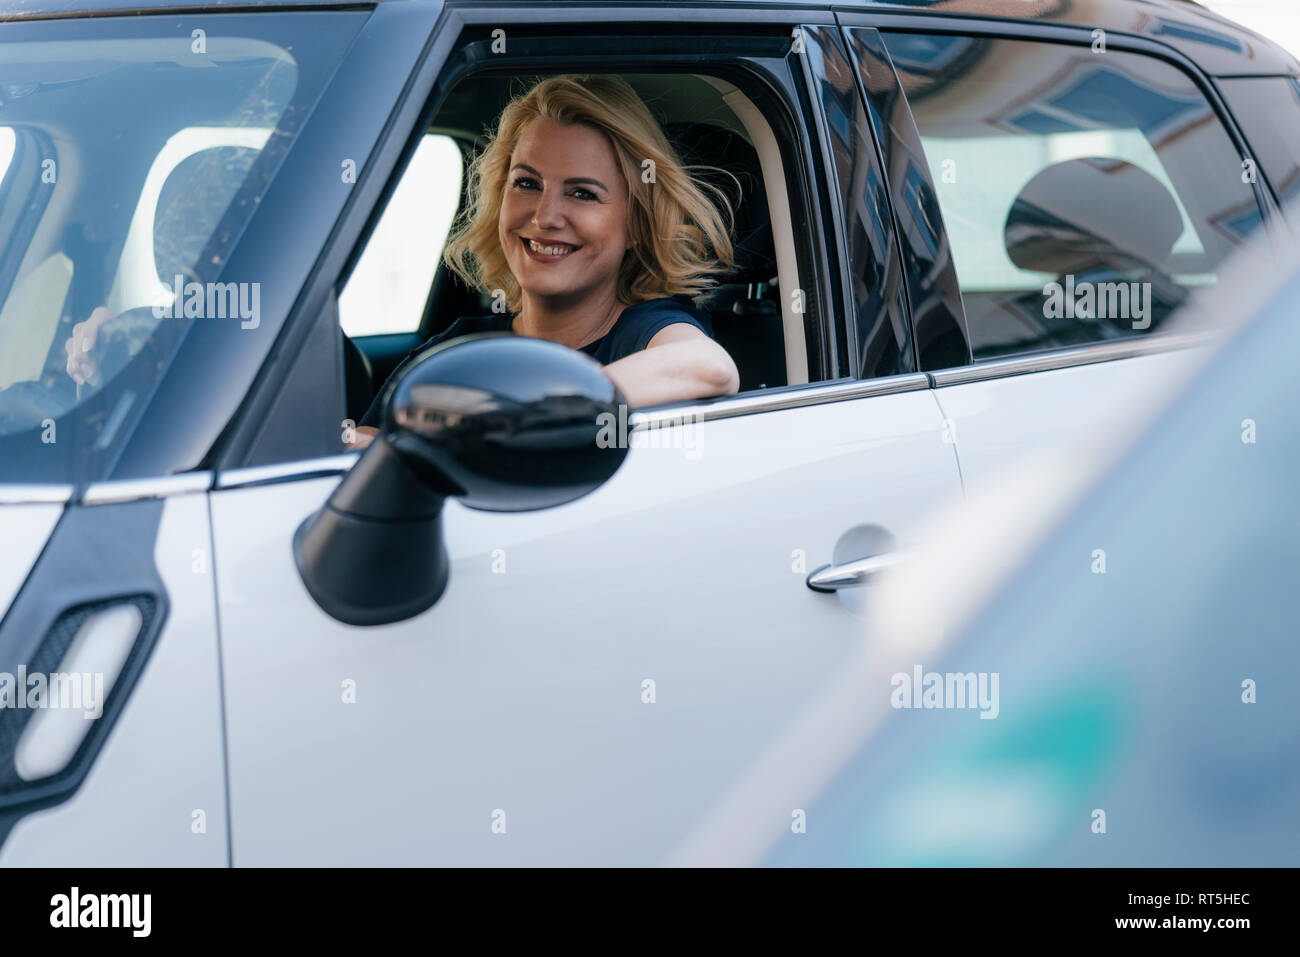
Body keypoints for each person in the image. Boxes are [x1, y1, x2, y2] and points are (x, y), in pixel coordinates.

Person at [348, 73, 741, 447]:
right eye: (527, 184)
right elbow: (364, 452)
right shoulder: (457, 348)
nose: (544, 217)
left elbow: (710, 367)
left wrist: (512, 415)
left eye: (583, 193)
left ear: (637, 224)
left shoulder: (644, 331)